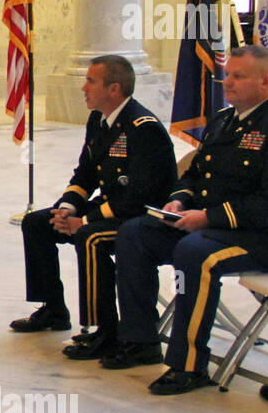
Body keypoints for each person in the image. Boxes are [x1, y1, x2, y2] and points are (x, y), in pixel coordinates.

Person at [110, 45, 268, 395]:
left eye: (239, 76)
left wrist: (207, 218)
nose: (228, 82)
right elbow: (196, 174)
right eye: (228, 74)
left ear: (266, 81)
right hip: (207, 227)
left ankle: (188, 366)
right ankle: (140, 340)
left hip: (262, 239)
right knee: (134, 234)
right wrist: (178, 200)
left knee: (194, 254)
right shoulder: (223, 120)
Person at [9, 56, 175, 361]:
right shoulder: (99, 119)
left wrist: (85, 219)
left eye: (91, 81)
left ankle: (106, 330)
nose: (83, 87)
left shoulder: (143, 128)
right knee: (36, 223)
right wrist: (68, 208)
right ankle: (53, 310)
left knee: (90, 235)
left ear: (114, 88)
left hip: (141, 218)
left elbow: (139, 196)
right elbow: (85, 172)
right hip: (113, 208)